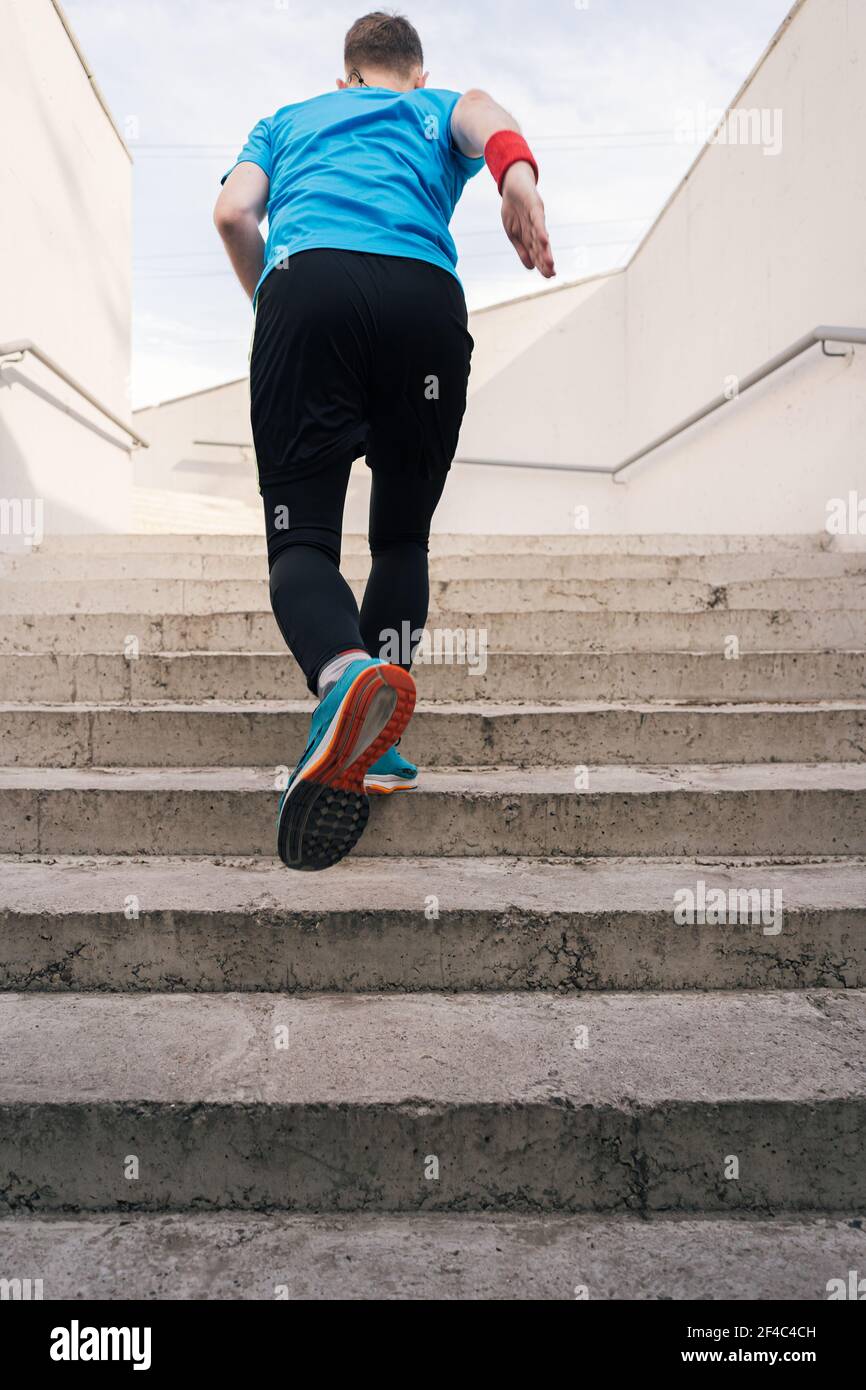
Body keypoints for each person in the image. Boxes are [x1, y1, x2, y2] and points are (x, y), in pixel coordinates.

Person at [214, 10, 554, 871]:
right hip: (422, 302)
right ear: (416, 68)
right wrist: (515, 179)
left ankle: (341, 678)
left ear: (344, 76)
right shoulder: (441, 105)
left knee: (302, 543)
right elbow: (492, 120)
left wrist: (274, 302)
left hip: (307, 288)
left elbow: (230, 215)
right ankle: (382, 739)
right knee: (401, 536)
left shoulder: (287, 120)